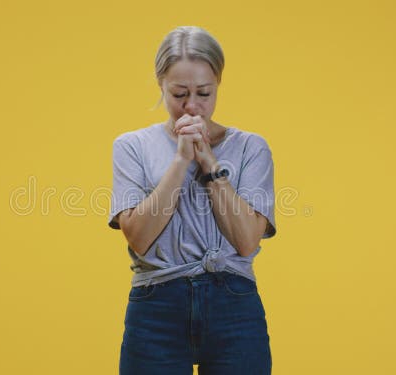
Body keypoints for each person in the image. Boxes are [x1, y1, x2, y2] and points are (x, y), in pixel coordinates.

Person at [109, 25, 276, 375]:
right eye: (179, 93)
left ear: (218, 84)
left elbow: (246, 242)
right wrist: (181, 159)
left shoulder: (251, 148)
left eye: (204, 92)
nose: (192, 106)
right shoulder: (131, 146)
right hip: (156, 305)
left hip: (233, 303)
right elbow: (139, 238)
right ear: (160, 85)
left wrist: (209, 163)